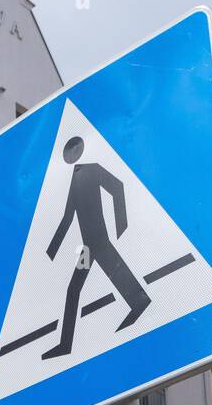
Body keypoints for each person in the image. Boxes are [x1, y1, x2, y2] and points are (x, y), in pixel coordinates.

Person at [40, 136, 150, 359]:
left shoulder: (92, 170)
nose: (70, 157)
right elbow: (67, 217)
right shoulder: (74, 179)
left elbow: (117, 187)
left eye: (73, 151)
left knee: (105, 277)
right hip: (89, 245)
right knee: (77, 288)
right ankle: (66, 344)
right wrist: (51, 250)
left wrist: (122, 225)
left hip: (98, 238)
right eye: (67, 154)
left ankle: (139, 302)